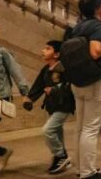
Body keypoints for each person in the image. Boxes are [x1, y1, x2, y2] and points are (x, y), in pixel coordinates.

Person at [69, 0, 101, 179]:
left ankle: (79, 168)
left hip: (78, 80)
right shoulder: (96, 26)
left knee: (80, 127)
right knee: (90, 128)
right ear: (98, 9)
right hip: (95, 81)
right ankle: (88, 172)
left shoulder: (78, 27)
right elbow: (95, 52)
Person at [22, 40, 75, 175]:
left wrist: (54, 91)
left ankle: (60, 155)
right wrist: (30, 98)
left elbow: (69, 87)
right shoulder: (46, 69)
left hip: (64, 106)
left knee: (47, 130)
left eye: (47, 48)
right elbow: (38, 85)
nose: (43, 51)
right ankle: (64, 159)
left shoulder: (64, 68)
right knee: (56, 131)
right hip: (51, 106)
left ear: (56, 54)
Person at [0, 28, 30, 173]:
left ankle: (2, 152)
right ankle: (3, 152)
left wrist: (25, 93)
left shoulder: (1, 53)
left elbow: (16, 72)